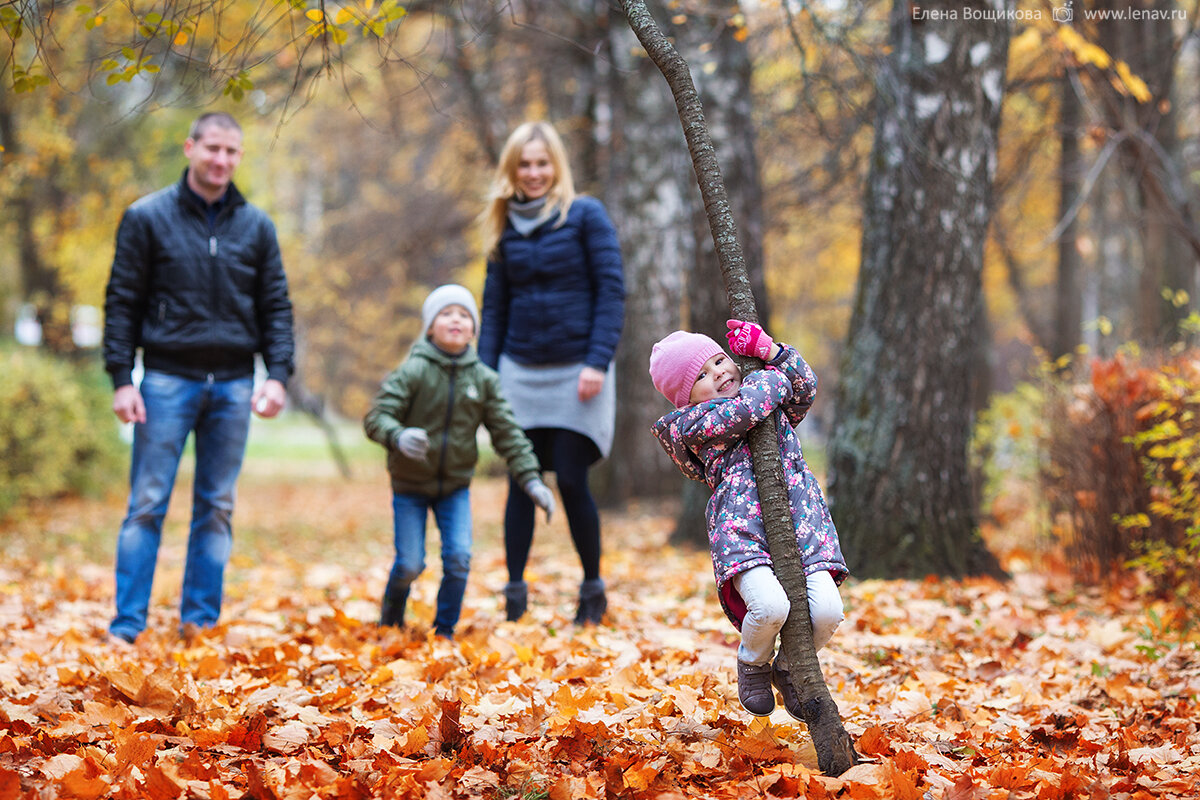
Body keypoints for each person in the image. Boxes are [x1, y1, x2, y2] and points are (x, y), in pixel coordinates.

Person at [102, 111, 294, 645]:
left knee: (217, 507)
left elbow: (276, 307)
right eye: (212, 148)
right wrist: (122, 378)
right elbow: (122, 303)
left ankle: (200, 626)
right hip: (165, 380)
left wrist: (277, 376)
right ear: (190, 148)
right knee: (146, 504)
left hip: (234, 385)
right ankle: (126, 627)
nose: (221, 160)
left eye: (232, 152)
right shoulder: (146, 218)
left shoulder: (256, 226)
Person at [648, 319, 848, 718]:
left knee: (827, 611)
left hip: (802, 526)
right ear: (686, 400)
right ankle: (753, 663)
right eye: (701, 377)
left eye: (720, 361)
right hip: (742, 535)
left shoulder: (767, 397)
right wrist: (773, 382)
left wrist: (770, 352)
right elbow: (741, 413)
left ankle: (789, 667)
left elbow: (804, 387)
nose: (718, 373)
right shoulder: (696, 425)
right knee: (769, 607)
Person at [477, 121, 625, 625]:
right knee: (522, 478)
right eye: (525, 164)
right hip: (519, 373)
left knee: (569, 477)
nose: (534, 173)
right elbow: (493, 309)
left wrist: (597, 361)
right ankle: (515, 595)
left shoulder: (585, 215)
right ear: (512, 170)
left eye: (542, 163)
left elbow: (610, 290)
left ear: (555, 166)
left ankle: (591, 590)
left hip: (577, 373)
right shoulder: (503, 227)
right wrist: (484, 376)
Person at [363, 285, 556, 639]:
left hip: (454, 487)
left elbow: (508, 433)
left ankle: (444, 632)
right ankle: (391, 616)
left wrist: (532, 480)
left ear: (473, 330)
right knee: (409, 563)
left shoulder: (483, 379)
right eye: (446, 313)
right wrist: (399, 436)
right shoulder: (412, 371)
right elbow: (377, 417)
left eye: (465, 315)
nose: (456, 319)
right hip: (410, 487)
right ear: (430, 327)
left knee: (459, 559)